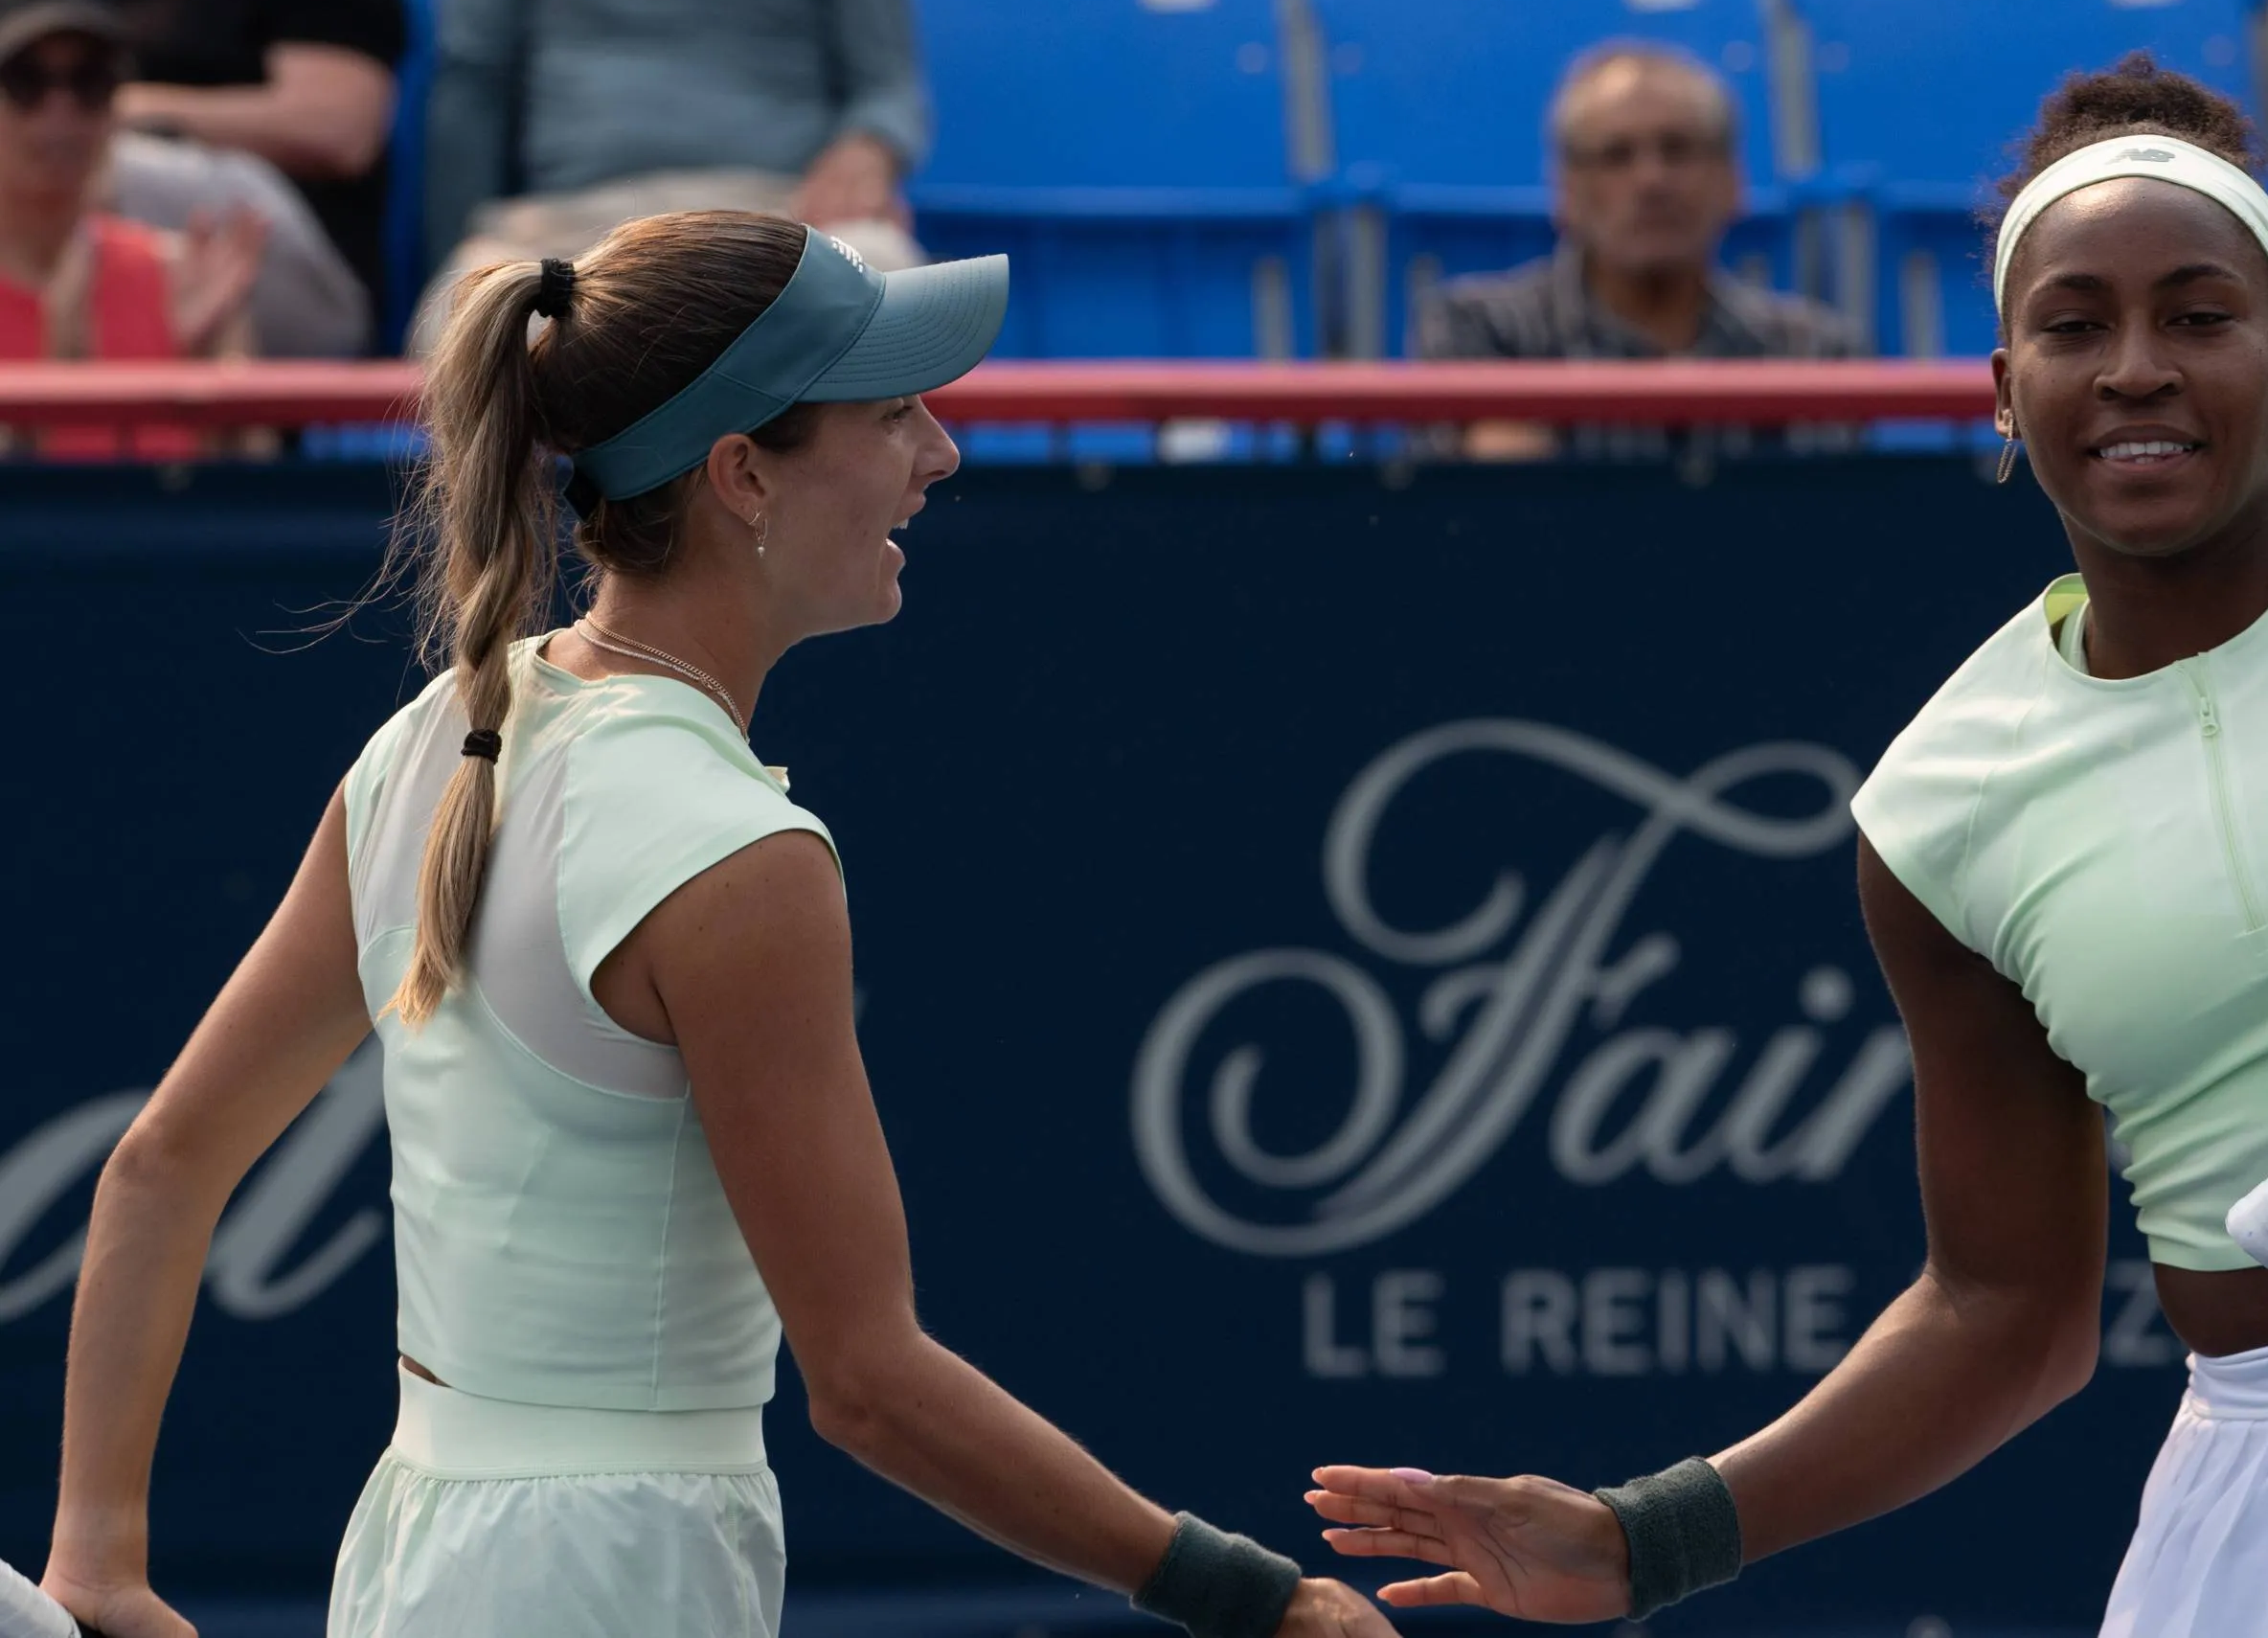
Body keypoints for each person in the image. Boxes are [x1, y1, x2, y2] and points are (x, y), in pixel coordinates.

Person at [1306, 59, 2268, 1633]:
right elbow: (2005, 1308)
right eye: (2074, 326)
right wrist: (1649, 1536)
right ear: (2003, 390)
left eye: (2200, 316)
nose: (2136, 368)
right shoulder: (1939, 805)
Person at [36, 210, 1395, 1638]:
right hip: (621, 1581)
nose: (940, 454)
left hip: (415, 1559)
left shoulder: (434, 741)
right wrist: (1261, 1600)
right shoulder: (737, 854)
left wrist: (101, 1559)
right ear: (744, 473)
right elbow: (870, 1387)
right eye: (892, 414)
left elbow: (162, 1161)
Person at [417, 0, 930, 346]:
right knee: (466, 329)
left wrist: (869, 148)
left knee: (886, 291)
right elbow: (473, 71)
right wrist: (464, 246)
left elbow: (886, 82)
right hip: (568, 229)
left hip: (780, 224)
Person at [0, 0, 405, 351]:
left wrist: (139, 112)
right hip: (62, 257)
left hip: (280, 275)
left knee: (75, 150)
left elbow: (340, 128)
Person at [1413, 42, 1862, 360]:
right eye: (1615, 156)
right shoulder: (1484, 336)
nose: (1652, 180)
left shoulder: (1809, 353)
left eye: (1679, 150)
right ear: (1567, 190)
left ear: (1731, 181)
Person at [0, 0, 261, 363]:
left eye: (89, 80)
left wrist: (210, 370)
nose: (61, 110)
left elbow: (248, 431)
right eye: (25, 80)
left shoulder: (178, 278)